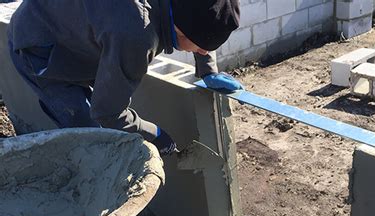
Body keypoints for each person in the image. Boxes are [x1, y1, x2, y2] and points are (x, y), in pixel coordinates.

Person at [7, 0, 243, 156]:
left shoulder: (179, 11)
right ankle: (97, 209)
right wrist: (154, 134)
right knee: (93, 137)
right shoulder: (136, 35)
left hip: (74, 23)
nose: (204, 52)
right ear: (182, 29)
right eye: (202, 48)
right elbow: (107, 113)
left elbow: (203, 17)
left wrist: (208, 70)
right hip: (39, 45)